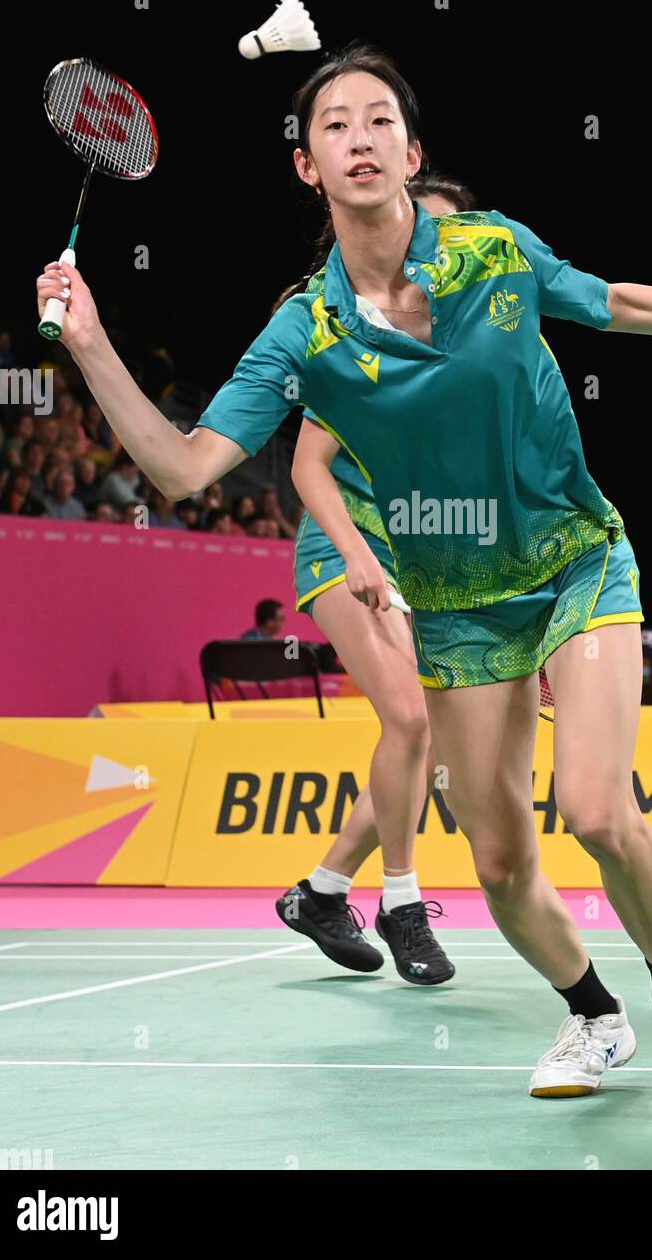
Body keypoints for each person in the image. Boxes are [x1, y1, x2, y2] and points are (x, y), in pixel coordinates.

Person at [35, 44, 652, 1102]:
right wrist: (95, 344)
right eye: (334, 125)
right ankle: (593, 1018)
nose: (359, 138)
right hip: (458, 611)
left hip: (572, 559)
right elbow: (186, 465)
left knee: (598, 809)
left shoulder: (491, 251)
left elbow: (610, 301)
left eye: (379, 120)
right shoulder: (308, 330)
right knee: (501, 867)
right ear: (308, 168)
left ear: (412, 151)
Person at [271, 171, 475, 987]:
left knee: (422, 743)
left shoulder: (464, 345)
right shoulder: (357, 330)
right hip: (340, 547)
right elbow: (308, 462)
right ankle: (399, 902)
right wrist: (357, 552)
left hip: (417, 560)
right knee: (412, 719)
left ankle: (320, 893)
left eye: (447, 235)